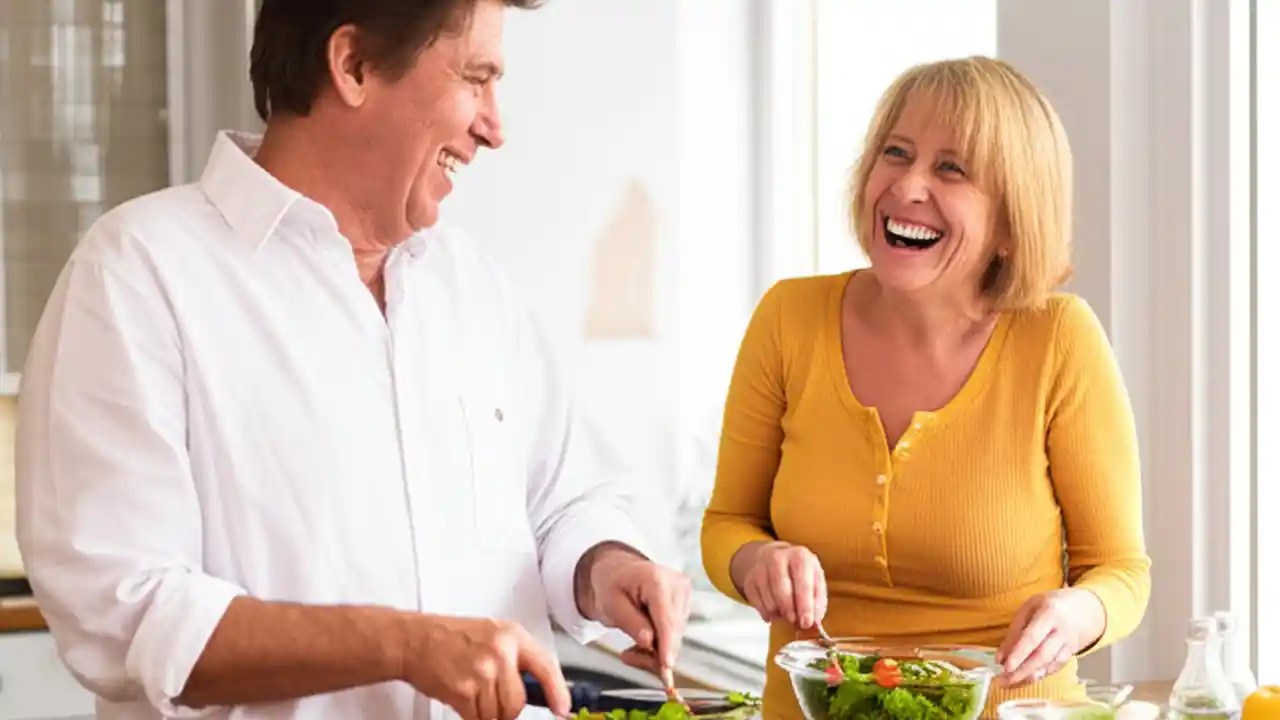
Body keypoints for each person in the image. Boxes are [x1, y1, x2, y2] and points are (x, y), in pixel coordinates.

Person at [15, 1, 691, 719]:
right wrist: (402, 646)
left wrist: (607, 566)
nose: (495, 127)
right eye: (475, 78)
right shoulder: (137, 276)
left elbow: (564, 503)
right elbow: (129, 613)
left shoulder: (473, 286)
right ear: (354, 65)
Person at [700, 56, 1150, 719]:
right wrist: (754, 559)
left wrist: (1079, 612)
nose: (907, 186)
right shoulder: (789, 319)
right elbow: (726, 523)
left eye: (951, 169)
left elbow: (1122, 573)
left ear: (1011, 220)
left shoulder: (1058, 339)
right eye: (896, 153)